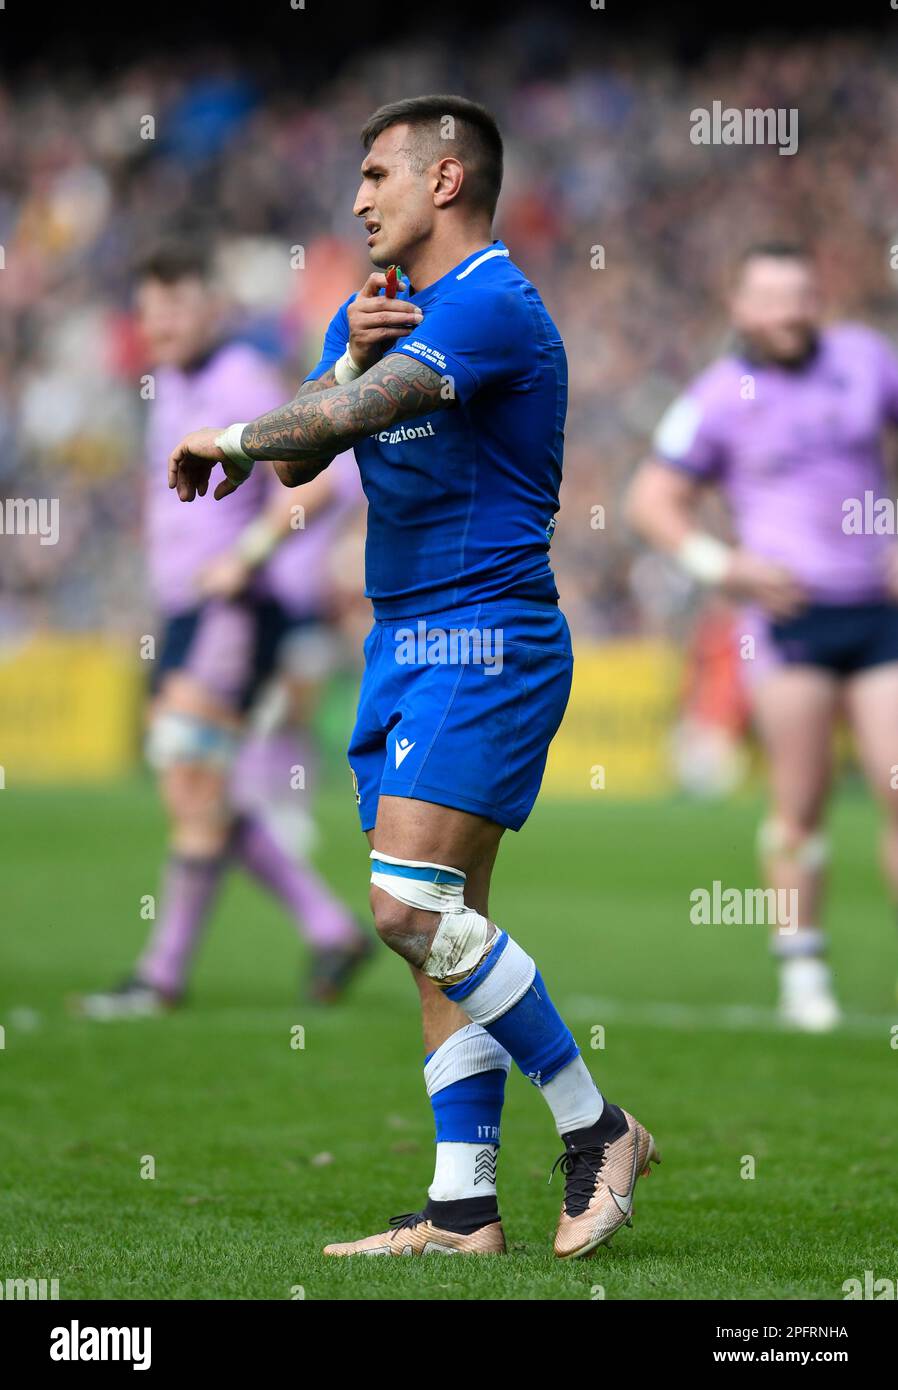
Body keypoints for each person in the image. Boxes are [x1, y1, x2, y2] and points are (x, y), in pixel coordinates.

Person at [166, 95, 659, 1260]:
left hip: (483, 637)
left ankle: (600, 1128)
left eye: (377, 173)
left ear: (445, 181)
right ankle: (460, 1210)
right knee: (441, 928)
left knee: (407, 909)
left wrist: (239, 431)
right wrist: (338, 356)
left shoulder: (492, 303)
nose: (356, 198)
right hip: (400, 639)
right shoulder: (373, 310)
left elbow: (340, 418)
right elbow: (307, 448)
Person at [79, 242, 370, 1020]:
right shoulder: (169, 386)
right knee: (198, 788)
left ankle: (161, 975)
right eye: (151, 312)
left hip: (230, 614)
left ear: (212, 307)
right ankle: (329, 927)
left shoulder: (239, 378)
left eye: (179, 307)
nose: (165, 325)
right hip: (184, 613)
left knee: (191, 780)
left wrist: (245, 557)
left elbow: (327, 484)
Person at [626, 242, 898, 1031]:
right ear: (740, 308)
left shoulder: (865, 358)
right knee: (800, 801)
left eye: (802, 295)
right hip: (789, 619)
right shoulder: (717, 395)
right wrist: (724, 566)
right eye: (772, 299)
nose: (789, 312)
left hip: (879, 610)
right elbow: (651, 500)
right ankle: (802, 967)